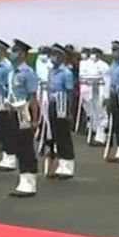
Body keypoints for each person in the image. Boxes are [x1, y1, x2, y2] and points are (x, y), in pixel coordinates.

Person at [7, 39, 40, 197]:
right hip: (13, 111)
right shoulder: (12, 71)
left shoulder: (28, 72)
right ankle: (23, 179)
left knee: (26, 145)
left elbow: (33, 97)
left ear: (22, 54)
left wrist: (34, 119)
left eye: (15, 51)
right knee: (18, 145)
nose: (12, 53)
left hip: (24, 112)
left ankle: (30, 181)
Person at [45, 44, 77, 179]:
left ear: (63, 57)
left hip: (62, 104)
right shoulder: (51, 71)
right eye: (52, 54)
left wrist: (69, 111)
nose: (54, 57)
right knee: (55, 134)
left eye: (57, 55)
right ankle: (59, 163)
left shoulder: (66, 73)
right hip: (52, 103)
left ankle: (68, 165)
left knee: (64, 135)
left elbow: (69, 92)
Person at [0, 39, 17, 171]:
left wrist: (8, 99)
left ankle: (10, 158)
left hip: (5, 100)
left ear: (3, 51)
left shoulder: (7, 66)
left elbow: (10, 84)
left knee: (7, 129)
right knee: (0, 127)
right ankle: (5, 156)